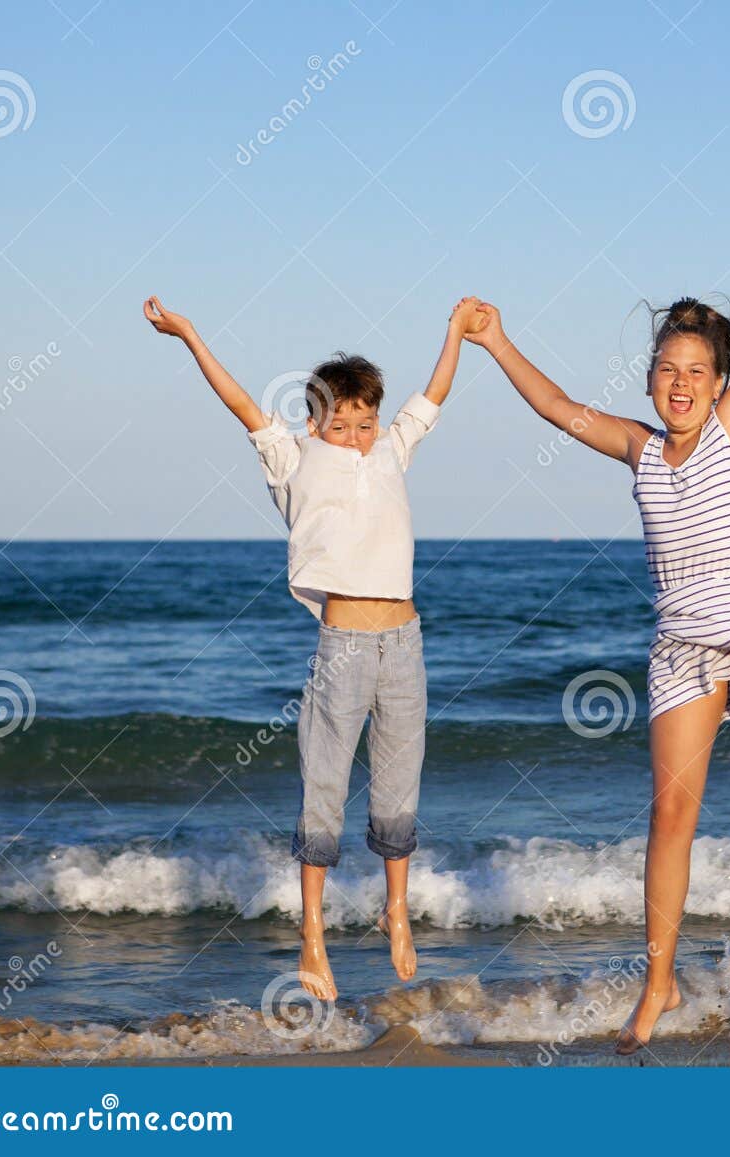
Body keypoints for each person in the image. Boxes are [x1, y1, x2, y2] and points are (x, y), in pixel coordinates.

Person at [464, 163, 730, 1054]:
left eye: (694, 371)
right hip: (684, 649)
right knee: (670, 815)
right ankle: (659, 980)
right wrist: (498, 340)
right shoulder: (637, 451)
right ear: (651, 378)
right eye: (666, 369)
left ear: (718, 383)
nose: (678, 383)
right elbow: (558, 408)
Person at [143, 293, 487, 1000]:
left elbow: (436, 392)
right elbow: (239, 401)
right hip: (344, 646)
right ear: (315, 420)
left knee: (399, 787)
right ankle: (312, 938)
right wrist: (190, 335)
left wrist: (455, 330)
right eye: (343, 422)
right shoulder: (292, 458)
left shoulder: (393, 449)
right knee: (322, 791)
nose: (358, 433)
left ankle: (397, 910)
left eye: (367, 421)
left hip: (406, 642)